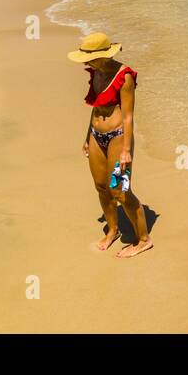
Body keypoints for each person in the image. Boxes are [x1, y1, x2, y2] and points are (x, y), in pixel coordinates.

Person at [70, 33, 153, 258]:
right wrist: (88, 137)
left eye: (90, 58)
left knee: (120, 190)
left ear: (104, 57)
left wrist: (126, 150)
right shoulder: (97, 72)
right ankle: (113, 229)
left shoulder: (124, 77)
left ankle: (144, 239)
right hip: (97, 136)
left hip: (118, 137)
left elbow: (128, 117)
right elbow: (96, 108)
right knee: (101, 186)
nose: (86, 63)